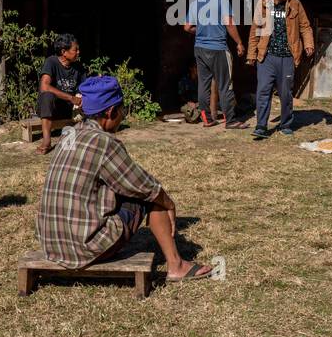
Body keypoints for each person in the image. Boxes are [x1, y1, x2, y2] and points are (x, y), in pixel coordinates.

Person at [36, 75, 212, 281]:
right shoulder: (104, 142)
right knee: (151, 198)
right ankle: (177, 265)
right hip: (82, 248)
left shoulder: (69, 134)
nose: (123, 116)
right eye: (122, 110)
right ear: (111, 112)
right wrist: (169, 204)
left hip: (51, 244)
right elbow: (147, 188)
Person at [247, 0, 315, 140]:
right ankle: (261, 126)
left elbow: (305, 26)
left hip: (287, 57)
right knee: (263, 91)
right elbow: (255, 30)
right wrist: (251, 55)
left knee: (285, 93)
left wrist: (308, 44)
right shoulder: (262, 4)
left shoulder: (295, 4)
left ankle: (285, 124)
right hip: (266, 57)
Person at [183, 0, 248, 129]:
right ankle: (231, 120)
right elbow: (230, 24)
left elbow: (186, 27)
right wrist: (239, 42)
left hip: (199, 48)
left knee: (203, 85)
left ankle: (207, 120)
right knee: (226, 84)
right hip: (218, 49)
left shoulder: (195, 3)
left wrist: (202, 31)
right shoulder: (222, 0)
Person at [37, 33, 87, 154]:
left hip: (71, 110)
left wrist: (82, 98)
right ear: (64, 51)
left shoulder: (79, 67)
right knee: (46, 95)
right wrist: (70, 98)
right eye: (75, 50)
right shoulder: (51, 62)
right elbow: (44, 86)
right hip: (52, 109)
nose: (79, 52)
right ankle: (47, 141)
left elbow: (84, 88)